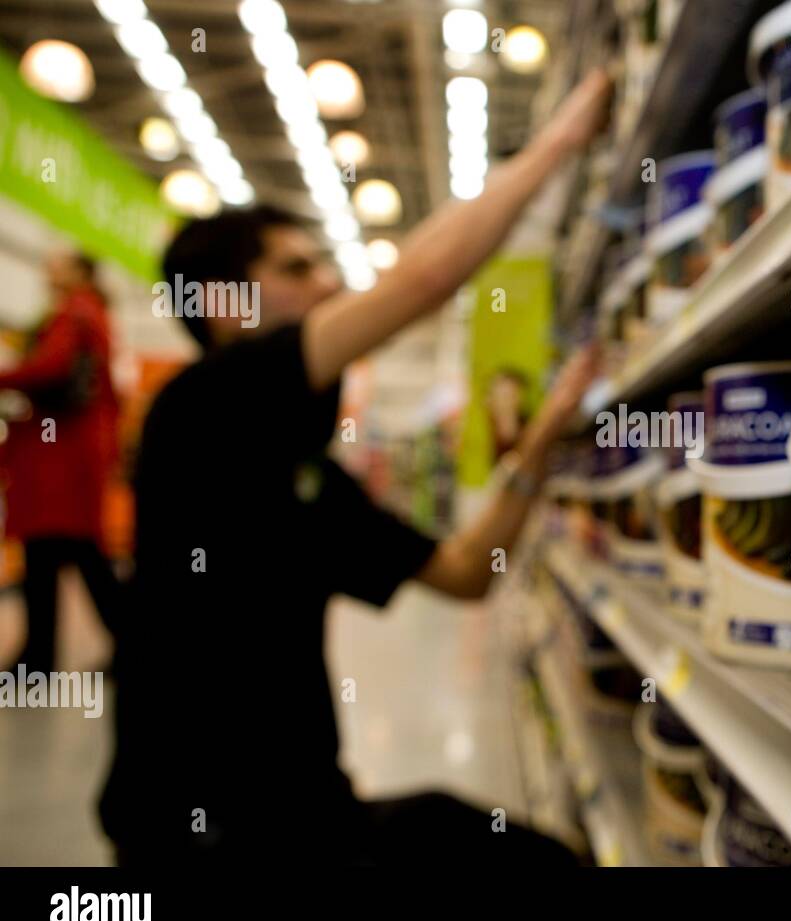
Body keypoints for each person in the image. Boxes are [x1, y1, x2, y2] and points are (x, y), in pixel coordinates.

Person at [98, 69, 612, 865]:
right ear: (223, 304)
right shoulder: (198, 410)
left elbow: (468, 572)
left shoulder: (306, 479)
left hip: (303, 817)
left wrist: (543, 441)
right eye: (296, 269)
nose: (330, 281)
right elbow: (424, 280)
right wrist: (560, 141)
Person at [0, 251, 123, 674]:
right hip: (70, 450)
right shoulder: (94, 313)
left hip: (59, 452)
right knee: (70, 549)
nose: (48, 266)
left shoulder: (76, 311)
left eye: (59, 261)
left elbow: (50, 368)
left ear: (80, 272)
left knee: (58, 548)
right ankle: (43, 655)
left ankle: (40, 658)